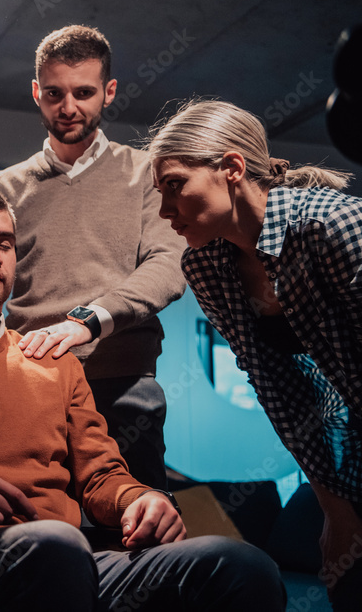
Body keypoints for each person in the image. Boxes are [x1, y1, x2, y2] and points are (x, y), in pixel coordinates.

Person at [0, 182, 285, 612]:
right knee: (55, 546)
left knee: (243, 566)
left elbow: (100, 475)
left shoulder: (52, 360)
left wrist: (138, 499)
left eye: (4, 244)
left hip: (68, 557)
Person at [148, 98, 361, 610]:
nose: (164, 211)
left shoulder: (333, 226)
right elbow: (276, 391)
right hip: (343, 460)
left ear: (232, 168)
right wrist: (335, 511)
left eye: (175, 185)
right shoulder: (206, 266)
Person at [0, 25, 186, 489]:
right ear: (37, 92)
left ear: (109, 92)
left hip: (123, 384)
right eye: (54, 93)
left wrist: (86, 321)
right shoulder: (4, 188)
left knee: (137, 533)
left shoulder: (146, 173)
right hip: (29, 384)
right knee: (39, 535)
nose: (68, 107)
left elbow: (168, 266)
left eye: (83, 92)